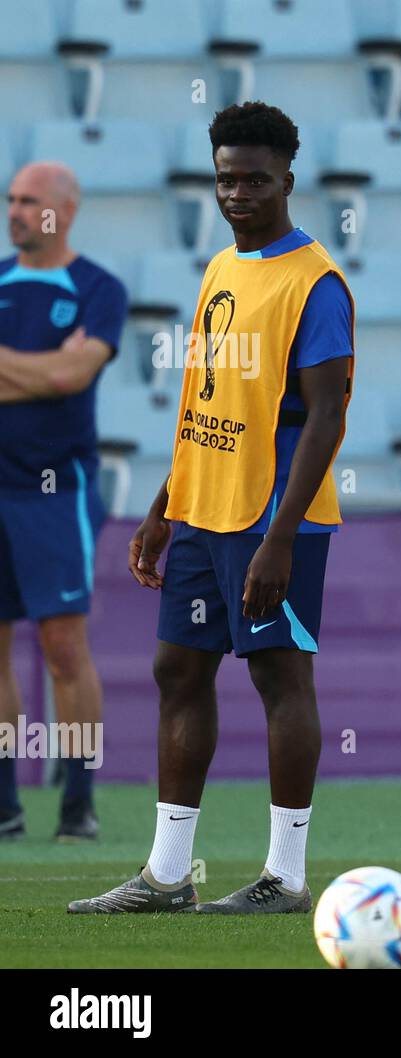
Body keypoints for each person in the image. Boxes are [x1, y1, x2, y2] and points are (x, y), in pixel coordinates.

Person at [68, 101, 354, 914]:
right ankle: (166, 876)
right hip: (202, 512)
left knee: (278, 676)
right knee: (177, 671)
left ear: (287, 181)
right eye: (226, 180)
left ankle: (287, 878)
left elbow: (327, 417)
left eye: (254, 180)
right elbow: (204, 399)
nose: (237, 194)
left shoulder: (315, 282)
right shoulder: (221, 269)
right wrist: (165, 503)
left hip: (272, 521)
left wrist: (282, 536)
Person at [0, 162, 126, 842]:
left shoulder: (97, 289)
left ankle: (77, 801)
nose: (15, 211)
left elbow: (72, 374)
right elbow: (52, 373)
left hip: (56, 490)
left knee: (61, 647)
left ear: (64, 213)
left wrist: (54, 374)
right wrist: (42, 372)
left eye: (29, 202)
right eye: (11, 200)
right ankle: (4, 805)